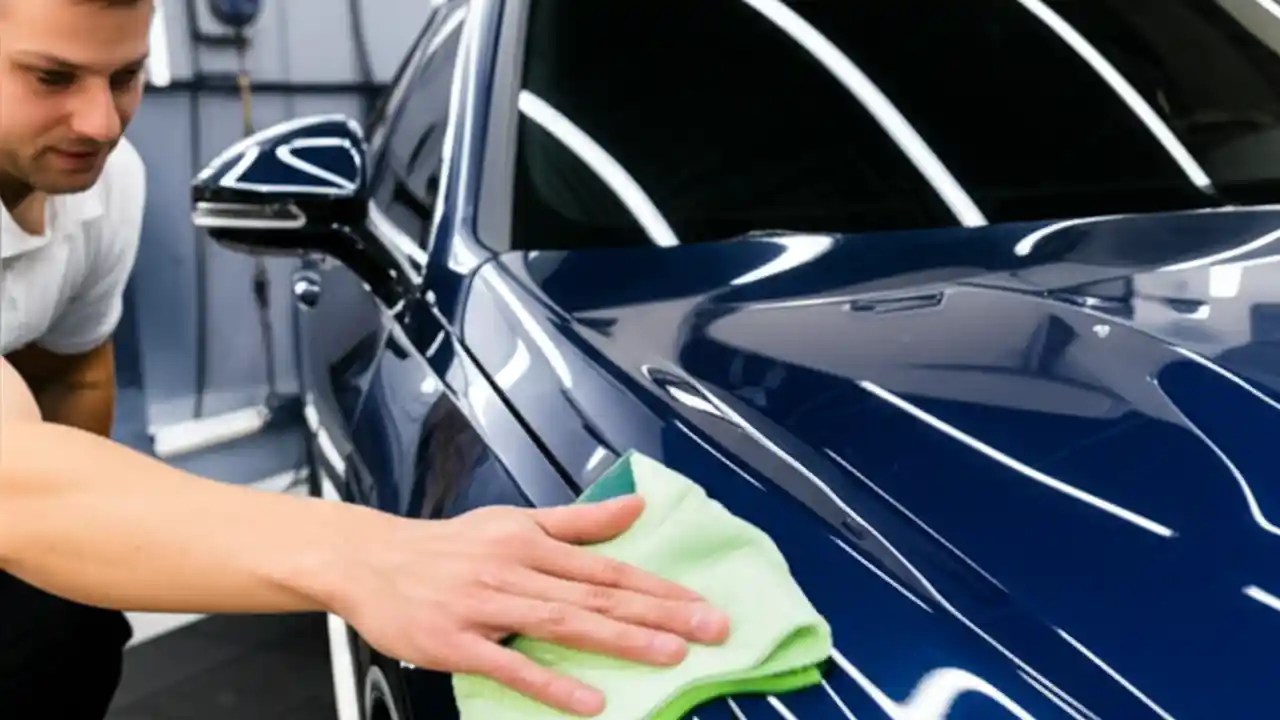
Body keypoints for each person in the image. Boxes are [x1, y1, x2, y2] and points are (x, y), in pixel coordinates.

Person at [0, 1, 730, 718]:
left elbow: (72, 368)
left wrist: (69, 534)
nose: (101, 122)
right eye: (51, 78)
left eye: (125, 75)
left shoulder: (107, 182)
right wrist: (369, 555)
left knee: (68, 631)